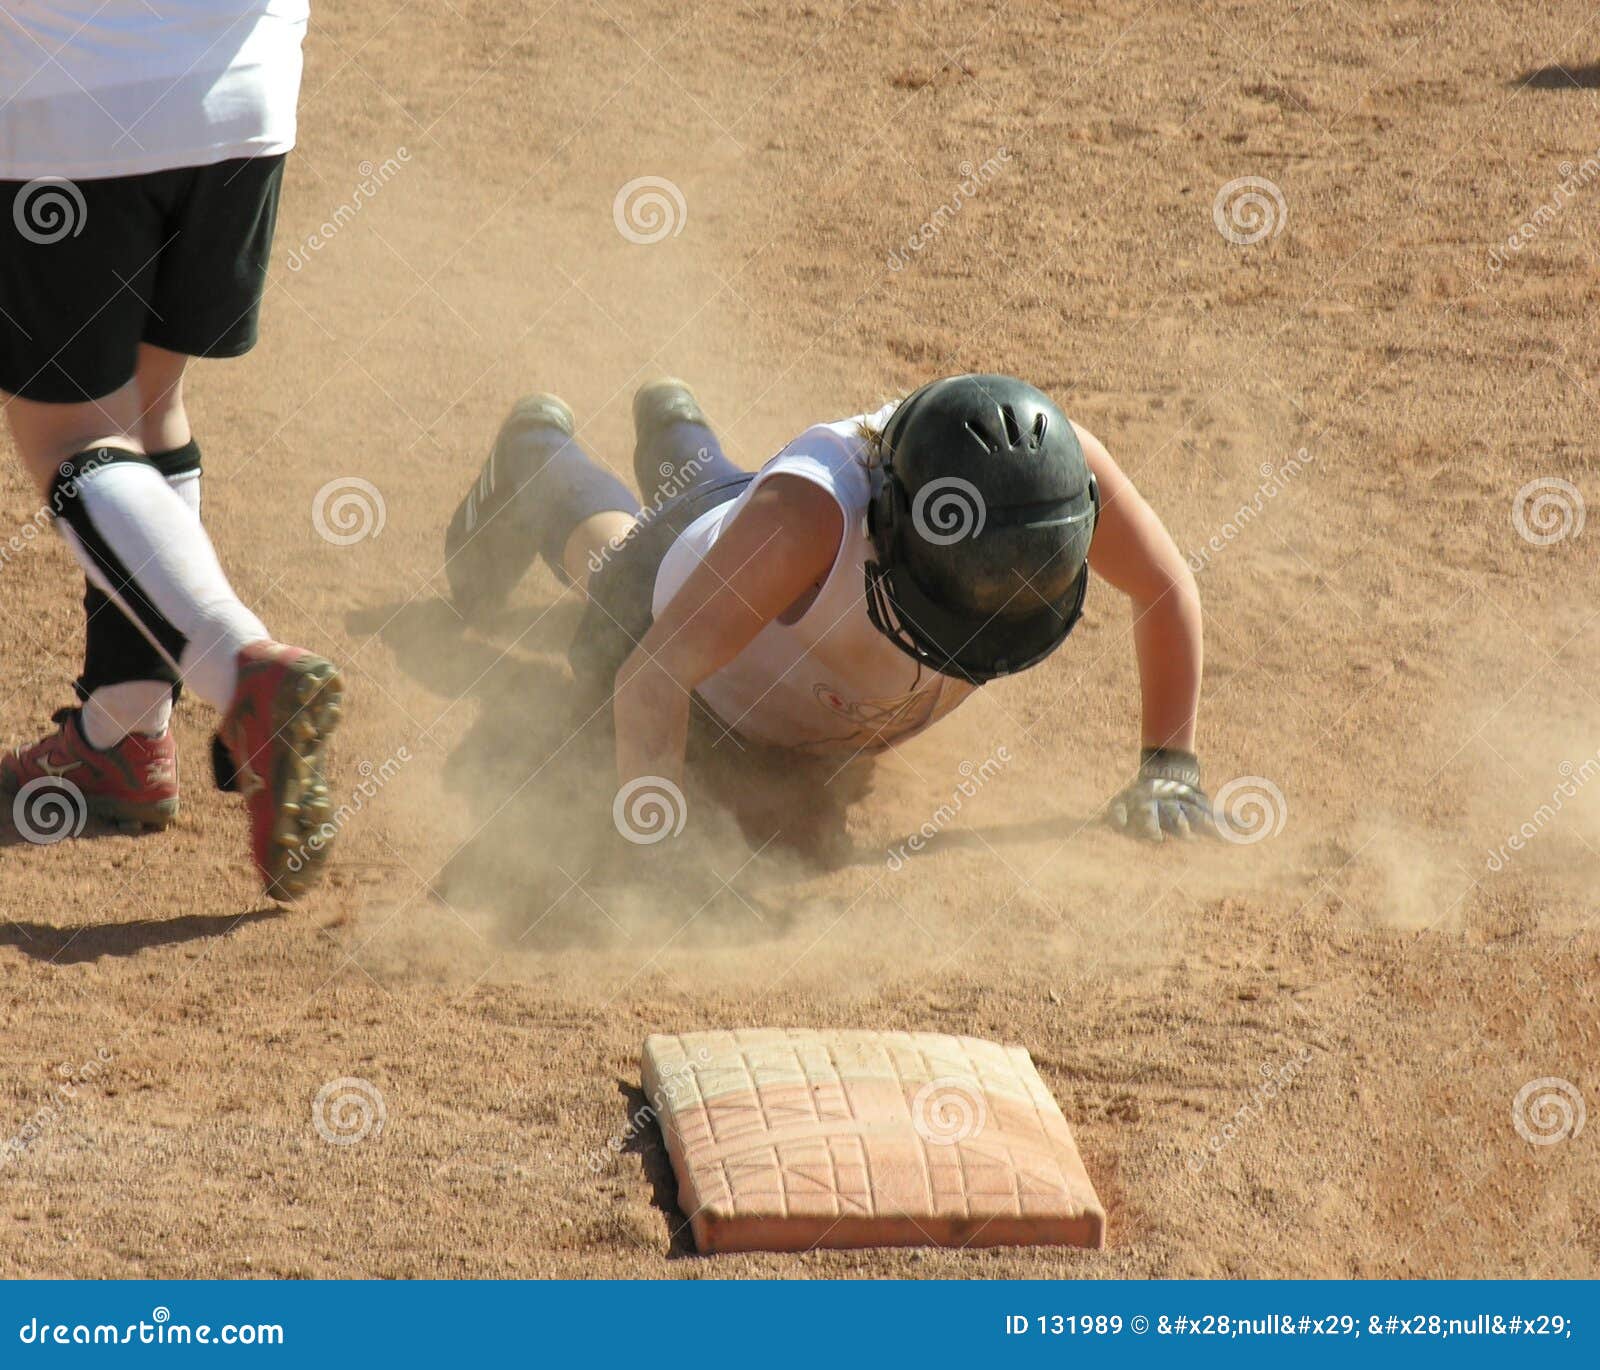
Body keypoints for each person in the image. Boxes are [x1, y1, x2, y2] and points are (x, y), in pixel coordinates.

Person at [444, 374, 1215, 844]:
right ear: (890, 532)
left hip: (755, 544)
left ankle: (676, 427)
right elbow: (653, 674)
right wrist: (657, 853)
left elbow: (1165, 585)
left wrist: (1169, 770)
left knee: (720, 493)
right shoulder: (808, 517)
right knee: (617, 551)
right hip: (671, 625)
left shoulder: (1048, 478)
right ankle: (534, 455)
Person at [0, 1, 343, 901]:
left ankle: (244, 672)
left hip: (71, 114)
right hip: (246, 105)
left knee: (70, 434)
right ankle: (124, 733)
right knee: (151, 405)